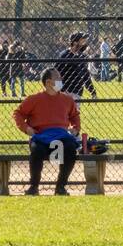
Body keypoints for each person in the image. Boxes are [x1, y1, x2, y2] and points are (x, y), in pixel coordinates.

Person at [13, 67, 81, 195]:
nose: (61, 80)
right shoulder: (34, 99)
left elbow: (75, 116)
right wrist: (27, 129)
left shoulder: (67, 99)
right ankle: (34, 186)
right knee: (36, 150)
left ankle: (60, 187)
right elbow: (18, 113)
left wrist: (75, 129)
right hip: (41, 137)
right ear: (48, 82)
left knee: (70, 148)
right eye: (58, 78)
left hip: (61, 136)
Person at [56, 31, 97, 102]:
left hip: (77, 93)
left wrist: (92, 92)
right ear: (75, 43)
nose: (84, 44)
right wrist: (58, 91)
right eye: (82, 41)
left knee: (75, 112)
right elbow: (56, 74)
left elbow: (85, 75)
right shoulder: (64, 56)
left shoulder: (81, 56)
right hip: (65, 92)